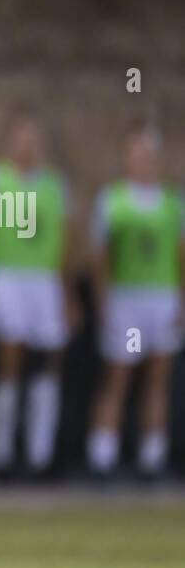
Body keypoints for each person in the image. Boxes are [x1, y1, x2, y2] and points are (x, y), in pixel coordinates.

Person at [0, 111, 72, 478]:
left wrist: (67, 293)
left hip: (44, 281)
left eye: (33, 137)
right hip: (6, 277)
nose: (26, 144)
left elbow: (64, 245)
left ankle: (40, 455)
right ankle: (1, 453)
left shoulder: (56, 185)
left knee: (47, 364)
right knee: (8, 361)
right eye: (20, 136)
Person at [87, 120, 184, 479]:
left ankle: (152, 458)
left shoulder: (173, 203)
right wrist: (104, 301)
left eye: (149, 155)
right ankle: (102, 457)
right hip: (126, 298)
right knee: (118, 376)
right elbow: (100, 257)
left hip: (162, 297)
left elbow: (180, 254)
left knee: (158, 379)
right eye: (136, 154)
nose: (143, 161)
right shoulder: (113, 200)